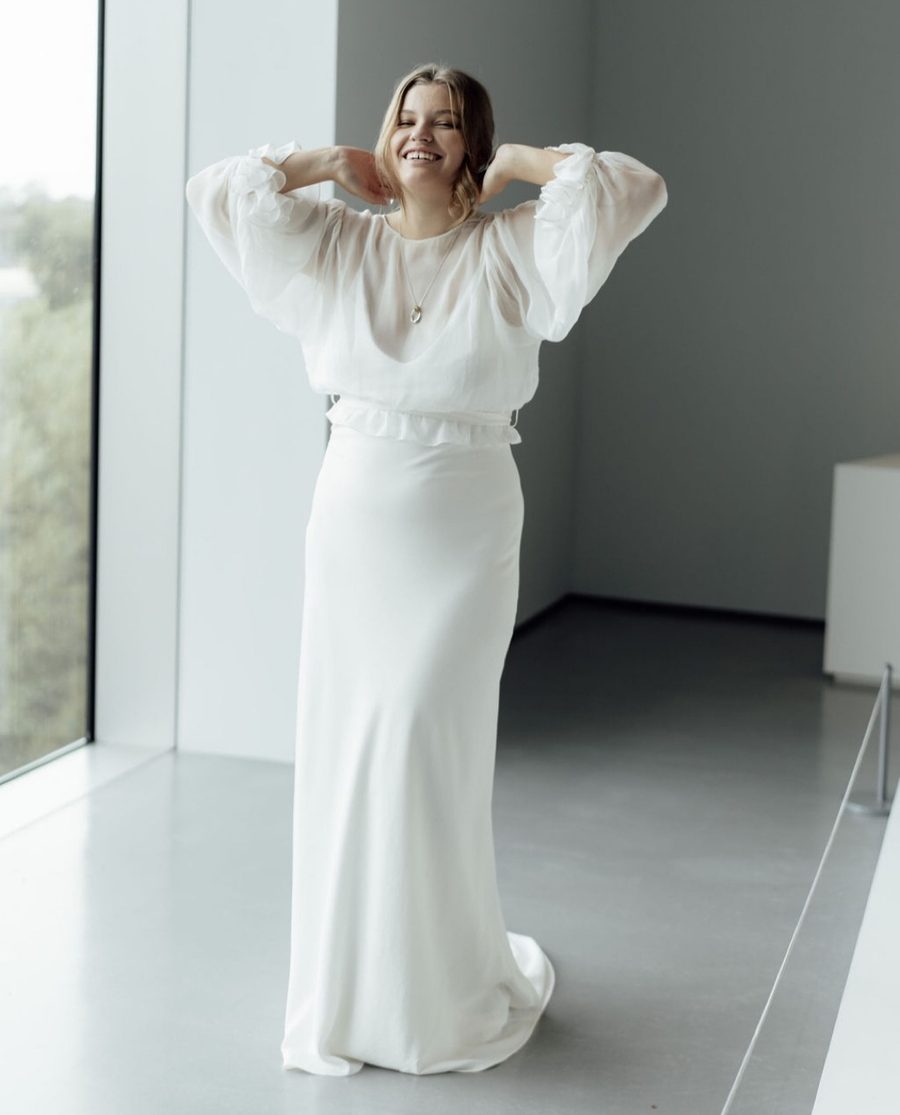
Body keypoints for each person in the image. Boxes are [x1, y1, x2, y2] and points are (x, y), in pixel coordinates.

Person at [185, 61, 667, 1078]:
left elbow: (631, 186)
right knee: (353, 748)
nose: (422, 134)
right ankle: (354, 989)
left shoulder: (511, 251)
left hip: (465, 518)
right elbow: (221, 192)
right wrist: (327, 162)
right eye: (408, 118)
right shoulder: (335, 243)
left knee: (422, 740)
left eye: (447, 124)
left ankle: (436, 987)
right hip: (354, 519)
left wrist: (524, 166)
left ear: (471, 147)